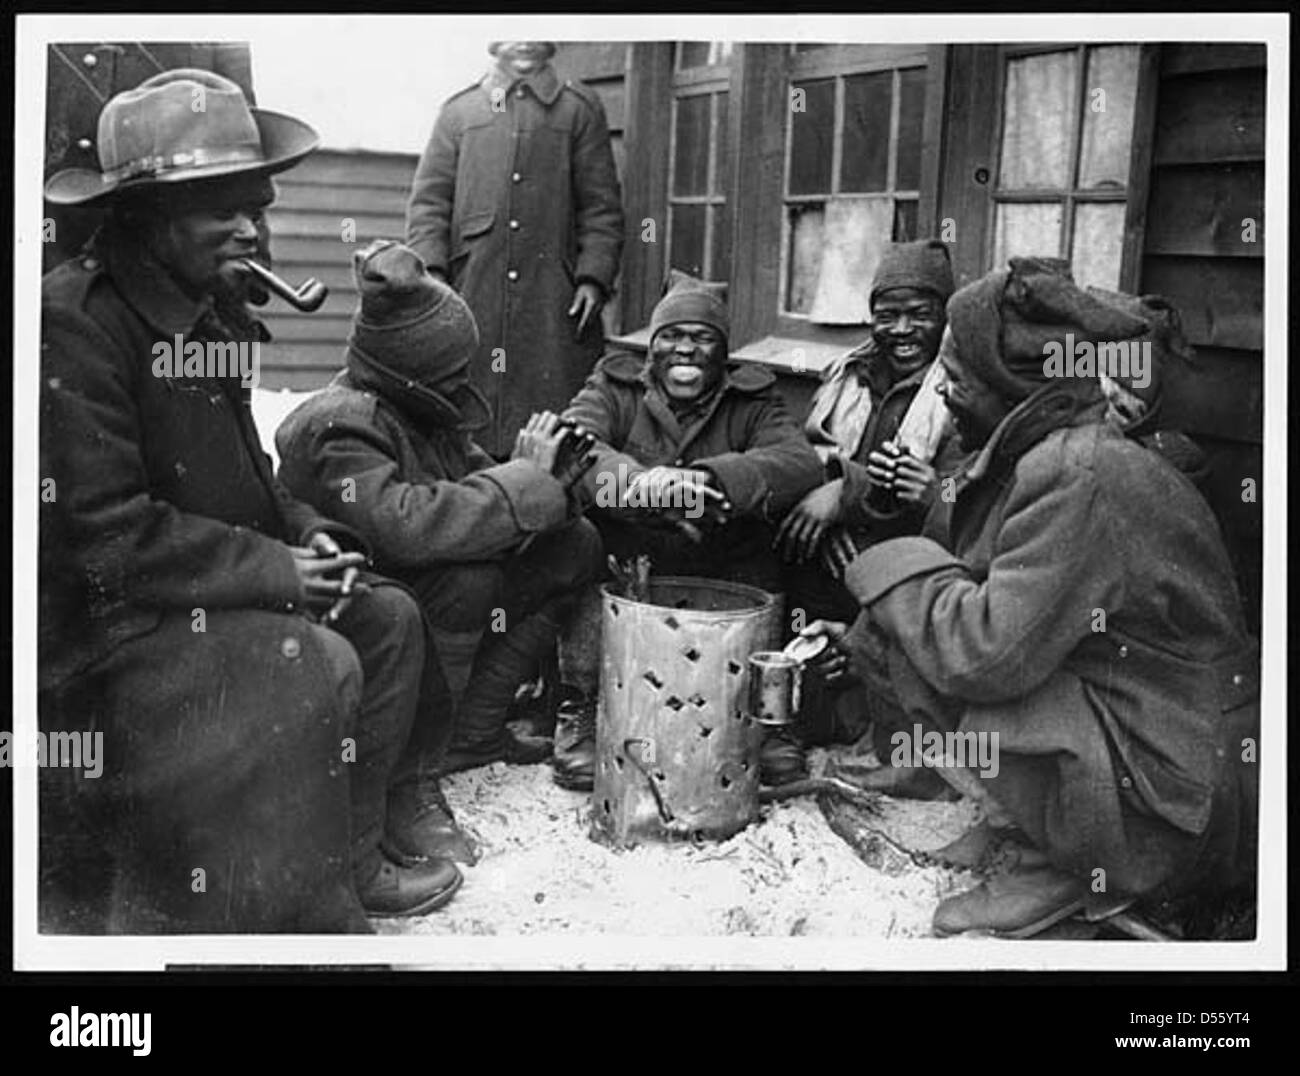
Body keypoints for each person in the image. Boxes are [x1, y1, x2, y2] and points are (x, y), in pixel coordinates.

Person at [39, 69, 461, 932]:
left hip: (201, 588)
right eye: (221, 210)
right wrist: (279, 573)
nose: (251, 229)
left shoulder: (213, 314)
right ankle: (301, 917)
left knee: (386, 619)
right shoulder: (76, 324)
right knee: (312, 660)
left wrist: (307, 533)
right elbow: (106, 538)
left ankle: (351, 858)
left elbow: (249, 479)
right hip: (108, 638)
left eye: (258, 207)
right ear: (146, 219)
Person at [799, 257, 1259, 938]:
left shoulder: (1079, 473)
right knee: (911, 625)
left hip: (1184, 786)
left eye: (954, 380)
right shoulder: (1050, 448)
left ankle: (1083, 866)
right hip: (1164, 731)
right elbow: (979, 568)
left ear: (1007, 386)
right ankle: (1026, 831)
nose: (944, 395)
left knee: (957, 655)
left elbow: (986, 655)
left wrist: (884, 567)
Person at [276, 240, 605, 806]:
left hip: (422, 593)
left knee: (574, 545)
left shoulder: (420, 408)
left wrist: (554, 480)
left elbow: (475, 488)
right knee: (468, 578)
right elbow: (403, 526)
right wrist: (524, 480)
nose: (464, 380)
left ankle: (472, 733)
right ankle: (416, 766)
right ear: (410, 370)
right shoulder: (340, 423)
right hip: (360, 603)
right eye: (453, 370)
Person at [562, 271, 824, 781]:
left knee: (776, 544)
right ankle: (581, 713)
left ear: (722, 352)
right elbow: (576, 444)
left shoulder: (752, 398)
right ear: (651, 348)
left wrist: (706, 480)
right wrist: (640, 485)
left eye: (702, 339)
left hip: (719, 558)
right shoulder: (613, 387)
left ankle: (770, 725)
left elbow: (799, 461)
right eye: (673, 338)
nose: (687, 350)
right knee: (577, 542)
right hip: (631, 555)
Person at [774, 240, 965, 785]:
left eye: (920, 315)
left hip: (909, 556)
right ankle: (808, 706)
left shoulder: (960, 391)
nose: (902, 330)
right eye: (888, 315)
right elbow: (802, 456)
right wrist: (831, 498)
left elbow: (968, 497)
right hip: (835, 555)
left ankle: (900, 746)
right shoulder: (849, 376)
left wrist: (849, 496)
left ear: (945, 317)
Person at [406, 40, 625, 459]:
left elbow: (602, 208)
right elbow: (429, 205)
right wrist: (432, 279)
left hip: (552, 299)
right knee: (467, 410)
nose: (524, 39)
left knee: (556, 419)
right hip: (472, 292)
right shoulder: (460, 112)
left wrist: (593, 279)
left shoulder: (578, 109)